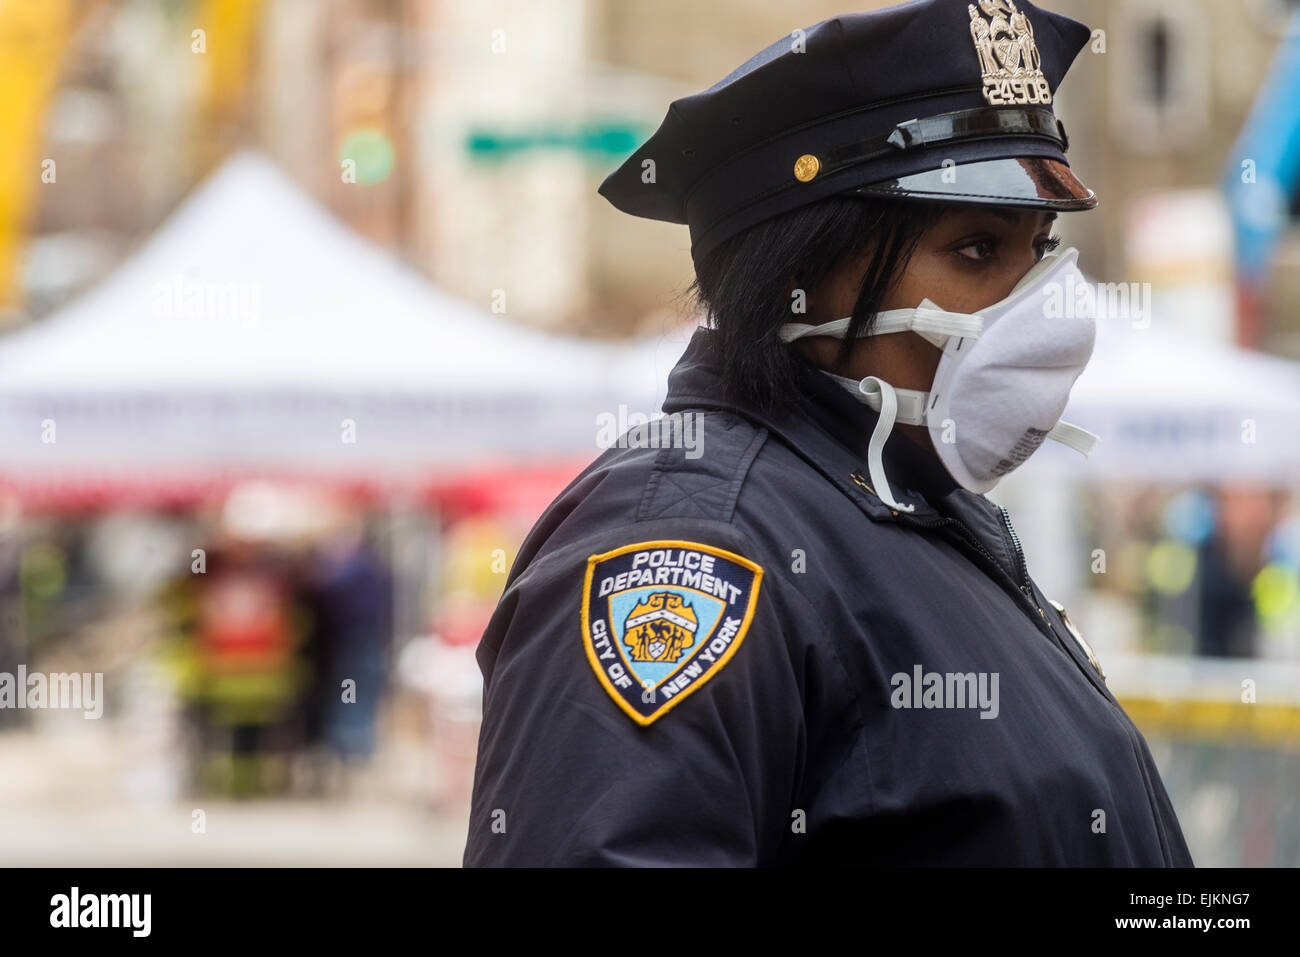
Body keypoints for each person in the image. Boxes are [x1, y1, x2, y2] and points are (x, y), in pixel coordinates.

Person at [463, 0, 1194, 866]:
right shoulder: (690, 541)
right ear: (799, 277)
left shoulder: (905, 509)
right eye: (975, 249)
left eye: (1037, 247)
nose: (1038, 303)